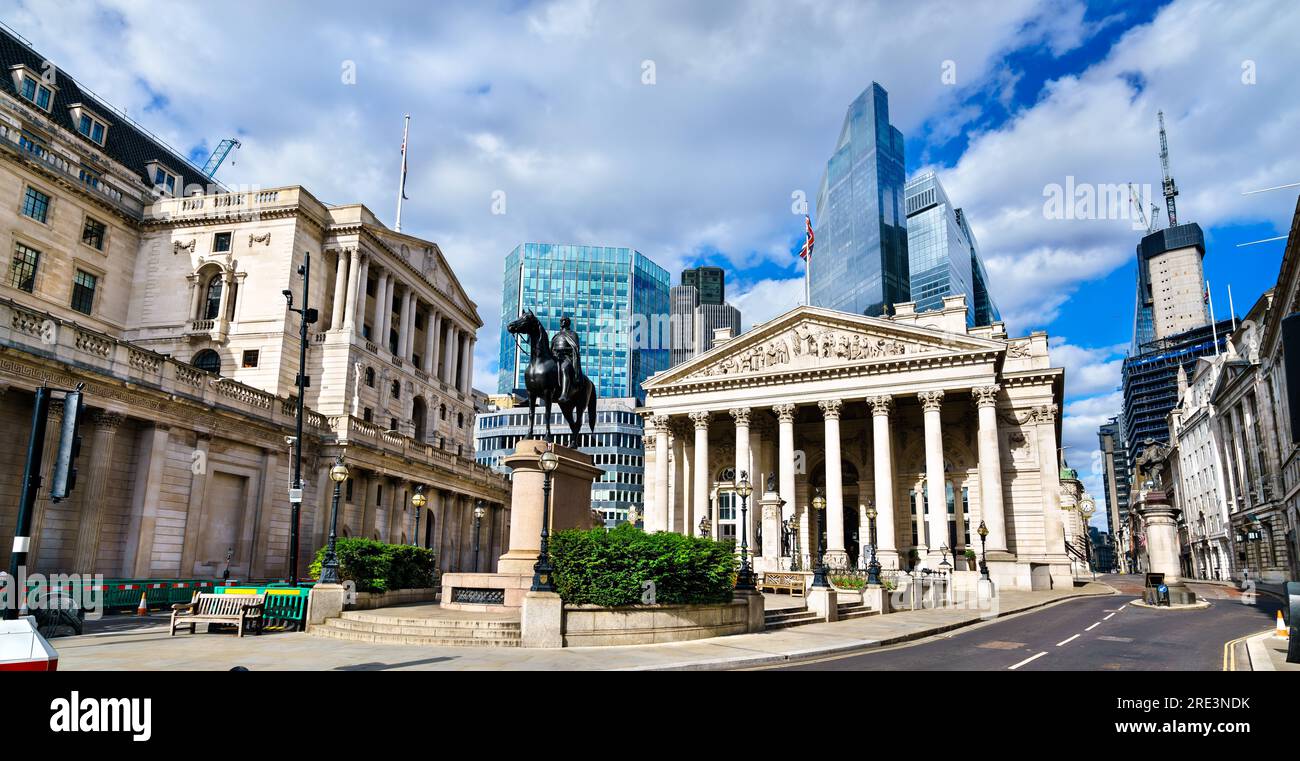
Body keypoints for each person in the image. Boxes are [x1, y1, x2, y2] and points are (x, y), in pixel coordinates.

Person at [551, 316, 582, 404]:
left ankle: (564, 393)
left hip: (566, 357)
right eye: (561, 321)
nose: (562, 322)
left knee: (564, 368)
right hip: (555, 357)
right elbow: (551, 348)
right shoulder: (556, 335)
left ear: (568, 323)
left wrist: (563, 350)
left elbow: (575, 348)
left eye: (564, 321)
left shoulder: (572, 334)